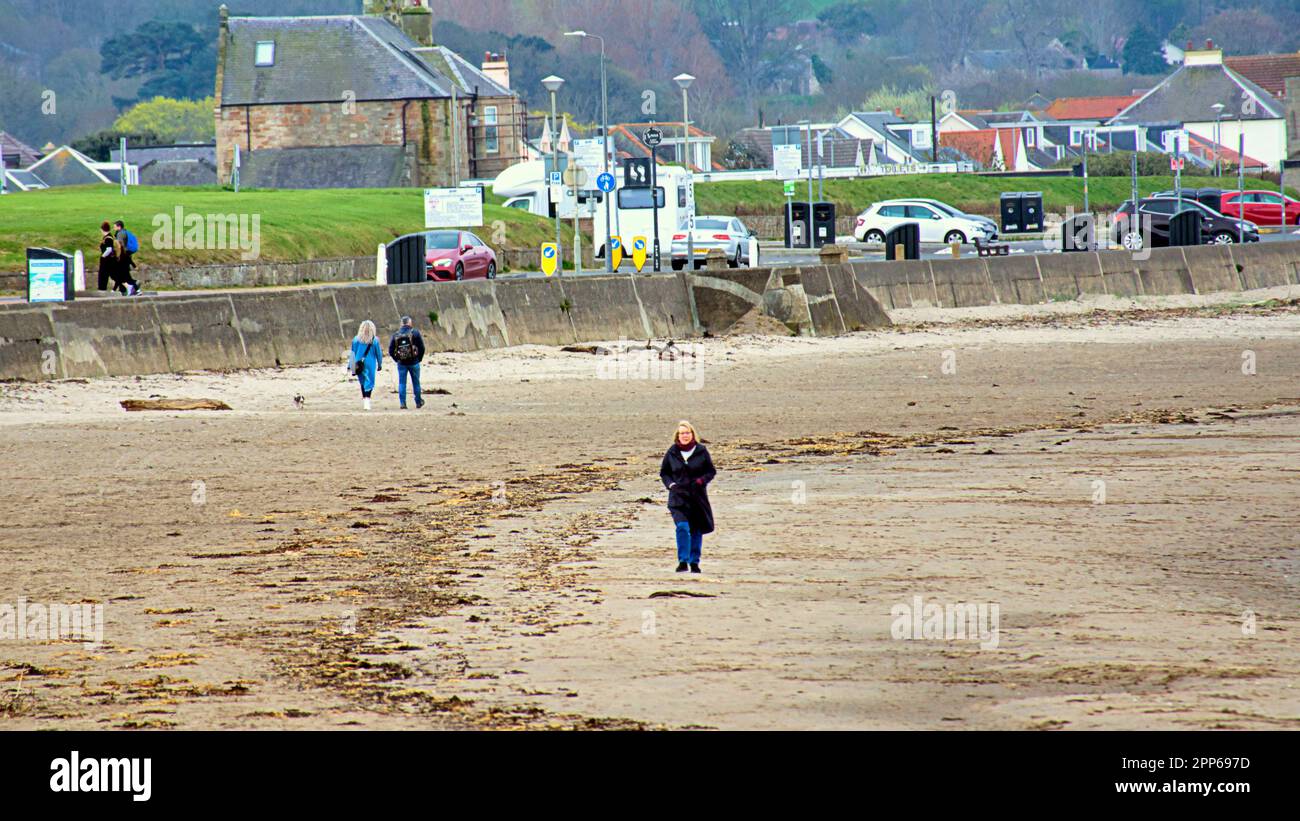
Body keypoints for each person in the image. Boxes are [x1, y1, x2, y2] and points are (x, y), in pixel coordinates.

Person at [659, 420, 716, 574]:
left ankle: (694, 562)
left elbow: (711, 471)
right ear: (677, 435)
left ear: (692, 434)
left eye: (687, 433)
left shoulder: (701, 451)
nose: (684, 436)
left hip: (697, 498)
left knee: (696, 530)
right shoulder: (672, 452)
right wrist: (671, 485)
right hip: (678, 498)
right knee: (682, 528)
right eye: (682, 433)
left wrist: (701, 481)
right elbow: (664, 473)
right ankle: (683, 561)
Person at [388, 315, 426, 410]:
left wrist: (397, 359)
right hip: (414, 362)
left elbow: (390, 350)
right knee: (416, 383)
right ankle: (418, 402)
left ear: (401, 323)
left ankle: (402, 403)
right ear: (410, 323)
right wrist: (419, 358)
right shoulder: (415, 333)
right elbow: (422, 347)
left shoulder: (396, 335)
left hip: (401, 363)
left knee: (402, 383)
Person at [349, 320, 383, 411]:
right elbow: (378, 353)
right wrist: (380, 364)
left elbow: (352, 353)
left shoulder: (356, 339)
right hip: (370, 363)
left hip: (358, 363)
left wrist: (351, 366)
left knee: (362, 382)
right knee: (370, 382)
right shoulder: (375, 340)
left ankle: (365, 400)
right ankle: (367, 400)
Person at [112, 220, 142, 295]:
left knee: (122, 276)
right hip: (125, 257)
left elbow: (120, 246)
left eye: (114, 227)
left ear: (119, 227)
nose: (113, 228)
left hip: (122, 258)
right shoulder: (123, 232)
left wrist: (117, 256)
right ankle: (122, 290)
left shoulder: (120, 234)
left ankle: (135, 287)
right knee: (122, 276)